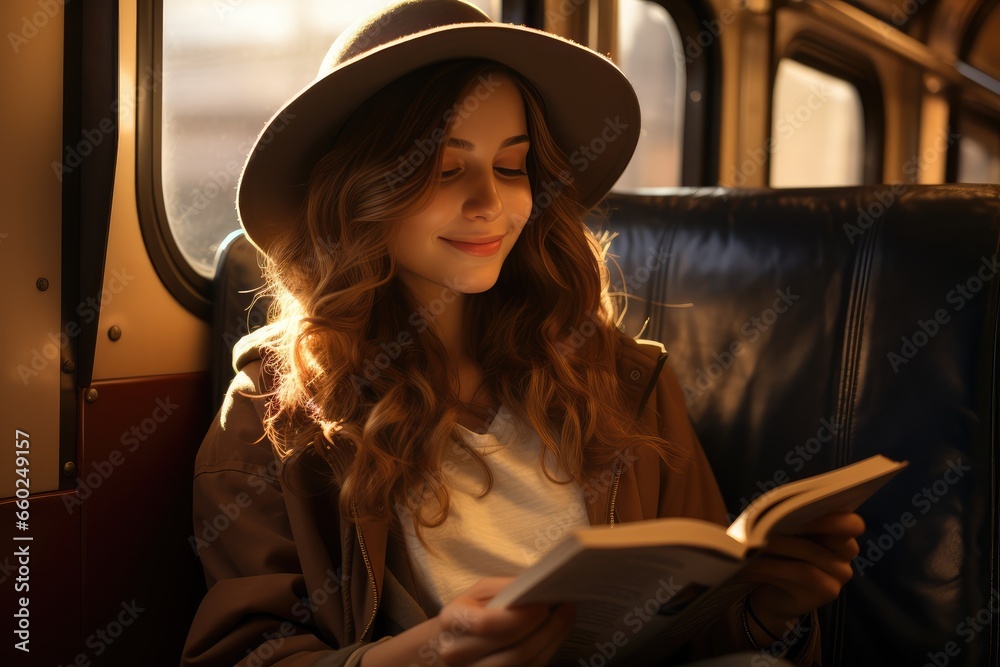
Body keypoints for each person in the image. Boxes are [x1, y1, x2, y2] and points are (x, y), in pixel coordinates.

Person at [181, 1, 863, 665]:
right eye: (446, 171)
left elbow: (689, 630)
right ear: (359, 193)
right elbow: (247, 651)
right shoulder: (273, 413)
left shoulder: (627, 382)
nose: (490, 203)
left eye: (512, 167)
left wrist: (767, 612)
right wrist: (415, 657)